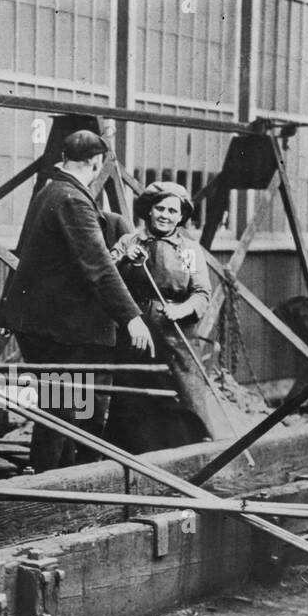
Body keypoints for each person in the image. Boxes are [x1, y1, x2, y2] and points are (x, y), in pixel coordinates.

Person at [0, 130, 155, 471]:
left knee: (63, 405)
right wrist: (132, 316)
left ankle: (58, 477)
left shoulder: (51, 190)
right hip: (58, 329)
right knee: (64, 407)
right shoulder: (72, 199)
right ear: (97, 163)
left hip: (43, 324)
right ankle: (48, 484)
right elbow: (96, 266)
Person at [103, 181, 213, 453]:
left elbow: (201, 292)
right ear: (149, 211)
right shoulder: (130, 242)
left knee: (180, 395)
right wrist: (124, 259)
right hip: (136, 330)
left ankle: (184, 453)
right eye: (160, 208)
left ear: (181, 216)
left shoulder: (186, 250)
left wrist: (181, 309)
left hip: (175, 332)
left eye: (172, 211)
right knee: (132, 395)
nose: (165, 215)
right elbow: (104, 277)